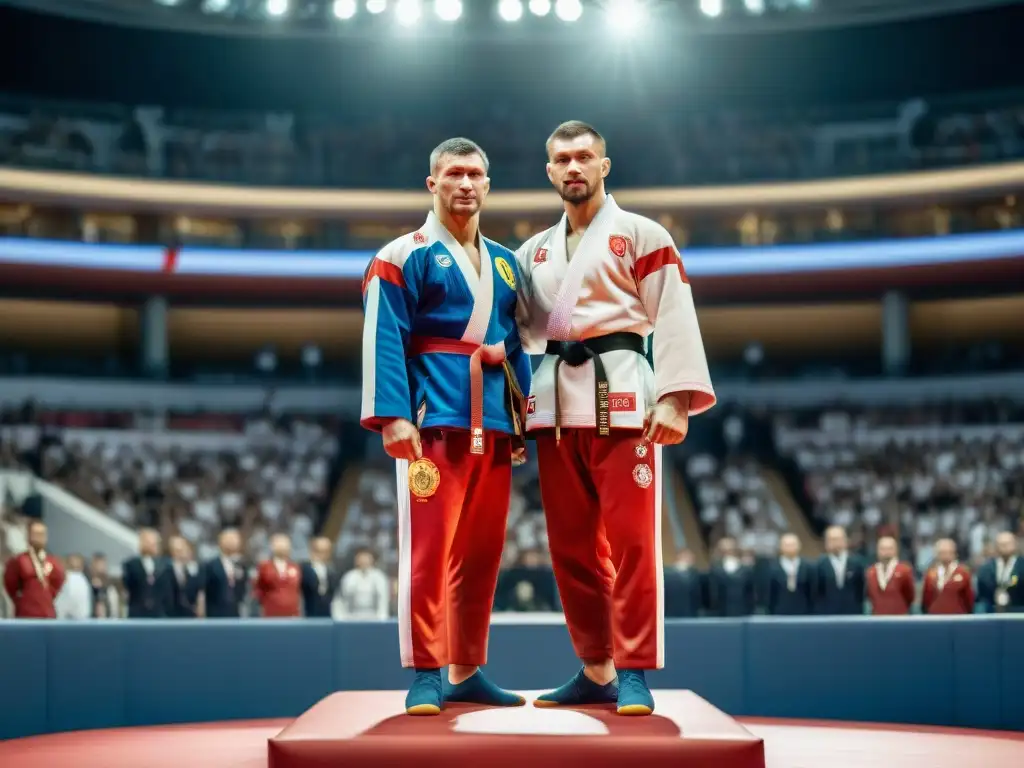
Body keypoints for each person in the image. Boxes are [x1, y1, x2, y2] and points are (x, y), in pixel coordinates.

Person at [513, 121, 716, 715]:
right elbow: (515, 333)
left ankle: (634, 669)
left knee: (632, 545)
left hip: (626, 402)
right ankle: (596, 667)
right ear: (549, 172)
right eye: (562, 160)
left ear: (604, 166)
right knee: (570, 548)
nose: (573, 167)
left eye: (584, 157)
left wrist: (675, 398)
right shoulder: (534, 251)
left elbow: (673, 311)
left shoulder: (642, 233)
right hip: (555, 408)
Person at [360, 137, 532, 716]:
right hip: (432, 420)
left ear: (488, 185)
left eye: (475, 174)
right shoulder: (401, 254)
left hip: (493, 423)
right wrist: (393, 416)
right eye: (454, 173)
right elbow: (384, 336)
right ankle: (426, 670)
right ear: (432, 184)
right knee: (429, 552)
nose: (465, 183)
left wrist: (522, 418)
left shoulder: (506, 262)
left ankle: (464, 668)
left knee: (482, 555)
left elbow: (516, 344)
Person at [3, 520, 65, 618]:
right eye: (36, 534)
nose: (39, 538)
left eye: (42, 534)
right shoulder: (19, 561)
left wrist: (46, 596)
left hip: (47, 614)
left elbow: (58, 582)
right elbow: (10, 584)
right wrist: (23, 599)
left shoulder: (53, 562)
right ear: (29, 536)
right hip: (25, 614)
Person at [814, 525, 865, 615]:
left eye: (838, 539)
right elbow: (816, 593)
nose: (835, 543)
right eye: (832, 539)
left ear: (846, 541)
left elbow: (860, 590)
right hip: (827, 614)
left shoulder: (857, 564)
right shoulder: (819, 565)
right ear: (826, 542)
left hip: (852, 613)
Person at [253, 533, 301, 618]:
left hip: (292, 613)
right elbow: (258, 589)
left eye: (285, 544)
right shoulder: (265, 567)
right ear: (272, 546)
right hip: (271, 613)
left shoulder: (295, 567)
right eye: (279, 543)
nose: (282, 547)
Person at [921, 538, 974, 614]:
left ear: (954, 553)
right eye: (942, 552)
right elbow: (926, 599)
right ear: (937, 554)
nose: (946, 555)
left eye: (949, 552)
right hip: (935, 616)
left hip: (958, 617)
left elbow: (969, 599)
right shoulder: (930, 574)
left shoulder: (963, 573)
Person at [865, 535, 915, 615]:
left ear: (896, 550)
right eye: (883, 548)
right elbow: (870, 595)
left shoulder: (904, 570)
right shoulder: (871, 572)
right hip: (877, 617)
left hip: (899, 617)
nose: (886, 552)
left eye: (889, 548)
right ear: (877, 550)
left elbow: (910, 596)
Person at [766, 533, 814, 616]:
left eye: (792, 544)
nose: (790, 548)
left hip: (804, 612)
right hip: (779, 612)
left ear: (799, 546)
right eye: (786, 545)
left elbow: (813, 591)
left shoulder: (808, 567)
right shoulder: (771, 568)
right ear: (780, 547)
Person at [977, 532, 1022, 612]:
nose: (1004, 546)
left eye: (1007, 543)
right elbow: (982, 593)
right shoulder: (986, 568)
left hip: (1019, 611)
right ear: (996, 546)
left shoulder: (1022, 566)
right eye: (1001, 544)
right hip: (992, 611)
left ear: (1015, 544)